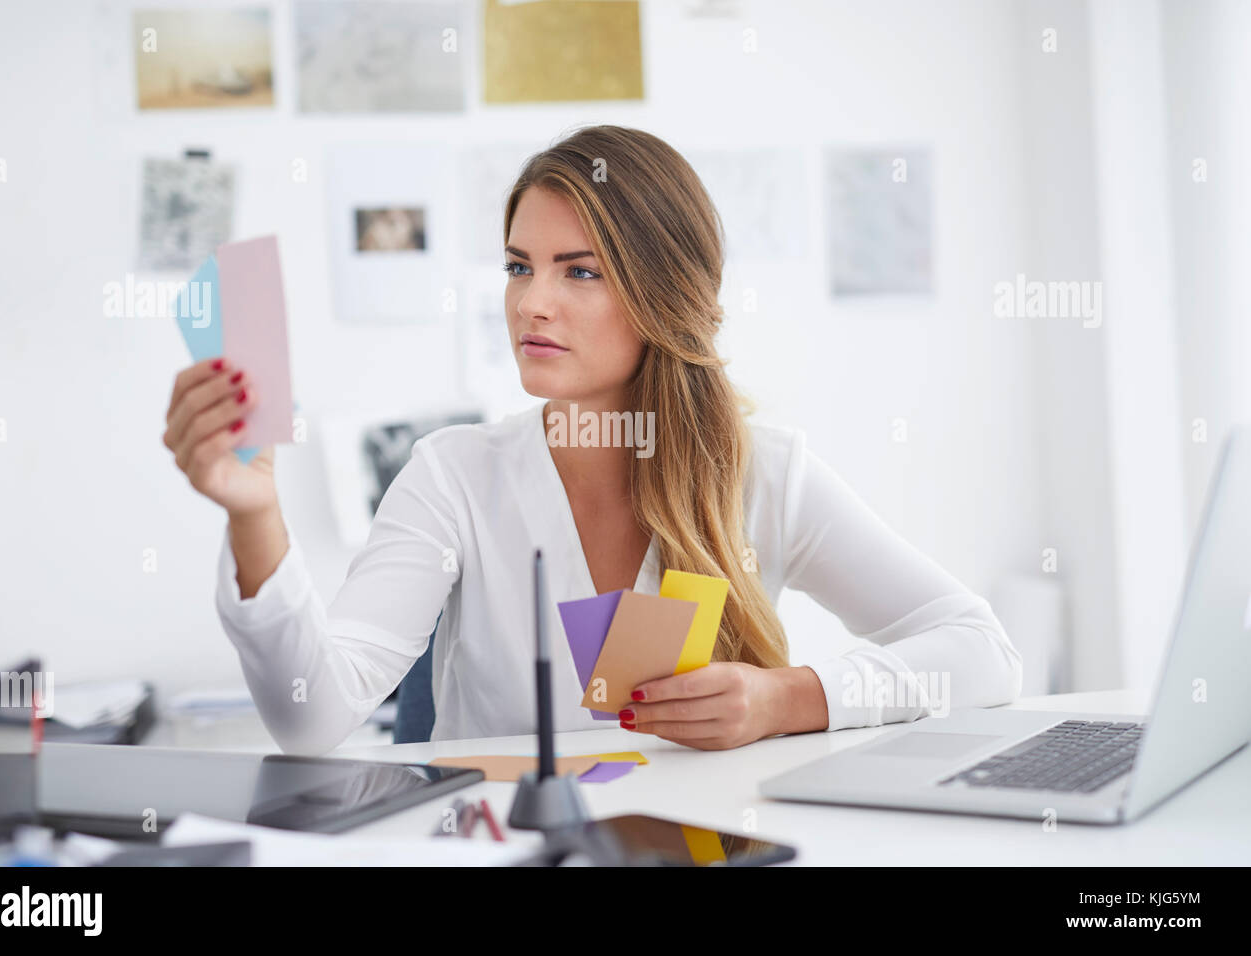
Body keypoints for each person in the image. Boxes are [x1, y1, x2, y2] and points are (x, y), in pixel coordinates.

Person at [161, 125, 1021, 756]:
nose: (531, 302)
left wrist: (789, 699)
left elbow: (981, 654)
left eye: (580, 271)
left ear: (665, 293)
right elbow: (312, 716)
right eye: (517, 266)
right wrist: (255, 516)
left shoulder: (764, 474)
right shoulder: (453, 475)